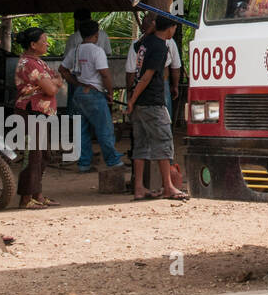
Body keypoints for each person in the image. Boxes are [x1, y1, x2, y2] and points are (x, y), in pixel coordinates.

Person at [126, 17, 188, 200]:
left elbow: (138, 69)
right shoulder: (161, 46)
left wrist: (132, 99)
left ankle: (139, 188)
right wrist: (133, 99)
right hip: (152, 100)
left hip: (140, 103)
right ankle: (168, 186)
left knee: (141, 144)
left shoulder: (144, 42)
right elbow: (146, 77)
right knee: (164, 141)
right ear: (171, 28)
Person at [59, 19, 124, 174]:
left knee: (81, 131)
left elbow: (63, 69)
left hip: (79, 93)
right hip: (94, 93)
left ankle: (84, 163)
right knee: (104, 129)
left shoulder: (75, 50)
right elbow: (105, 75)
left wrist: (75, 83)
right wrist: (109, 92)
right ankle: (113, 161)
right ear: (96, 35)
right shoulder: (97, 51)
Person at [12, 26, 63, 209]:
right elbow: (52, 87)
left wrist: (53, 83)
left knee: (44, 154)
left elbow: (57, 81)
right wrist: (53, 84)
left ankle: (37, 194)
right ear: (33, 45)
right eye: (43, 41)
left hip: (42, 113)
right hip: (31, 112)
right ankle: (26, 198)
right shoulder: (29, 64)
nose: (47, 44)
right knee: (32, 155)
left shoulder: (38, 62)